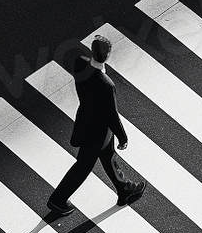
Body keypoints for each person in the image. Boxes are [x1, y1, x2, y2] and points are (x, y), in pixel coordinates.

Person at [47, 34, 146, 216]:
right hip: (98, 131)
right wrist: (123, 137)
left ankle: (125, 189)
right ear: (108, 55)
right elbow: (111, 115)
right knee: (84, 166)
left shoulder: (80, 63)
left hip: (85, 120)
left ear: (91, 52)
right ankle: (58, 199)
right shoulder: (107, 85)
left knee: (108, 155)